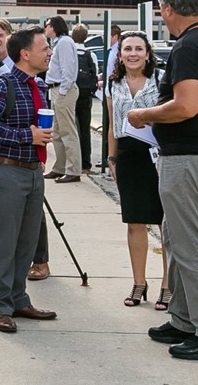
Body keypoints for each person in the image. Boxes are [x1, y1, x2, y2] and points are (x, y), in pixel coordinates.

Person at [125, 0, 198, 361]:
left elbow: (186, 105)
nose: (161, 15)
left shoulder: (190, 46)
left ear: (169, 10)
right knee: (176, 241)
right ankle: (185, 320)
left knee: (191, 249)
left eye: (161, 9)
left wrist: (143, 114)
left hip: (191, 158)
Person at [0, 27, 58, 333]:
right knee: (5, 241)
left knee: (26, 242)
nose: (49, 52)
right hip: (7, 170)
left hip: (33, 170)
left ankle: (18, 299)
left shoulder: (39, 85)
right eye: (44, 47)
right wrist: (29, 135)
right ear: (25, 54)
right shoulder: (1, 85)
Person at [104, 32, 169, 308]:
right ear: (119, 55)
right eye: (127, 49)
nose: (132, 54)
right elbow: (111, 123)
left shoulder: (160, 80)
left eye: (138, 49)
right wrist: (111, 157)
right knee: (134, 221)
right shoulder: (113, 84)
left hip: (156, 153)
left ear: (147, 54)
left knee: (164, 221)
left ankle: (168, 285)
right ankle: (139, 283)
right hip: (128, 154)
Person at [43, 17, 82, 184]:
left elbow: (69, 69)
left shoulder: (65, 42)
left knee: (68, 131)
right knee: (58, 132)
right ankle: (60, 167)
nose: (45, 28)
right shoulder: (58, 43)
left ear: (54, 27)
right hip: (55, 89)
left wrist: (64, 91)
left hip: (62, 89)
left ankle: (73, 170)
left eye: (47, 26)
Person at [72, 24, 100, 174]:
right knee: (84, 129)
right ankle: (85, 164)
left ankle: (71, 161)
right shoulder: (90, 55)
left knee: (70, 128)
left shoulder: (69, 52)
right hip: (85, 94)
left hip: (70, 92)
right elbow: (95, 74)